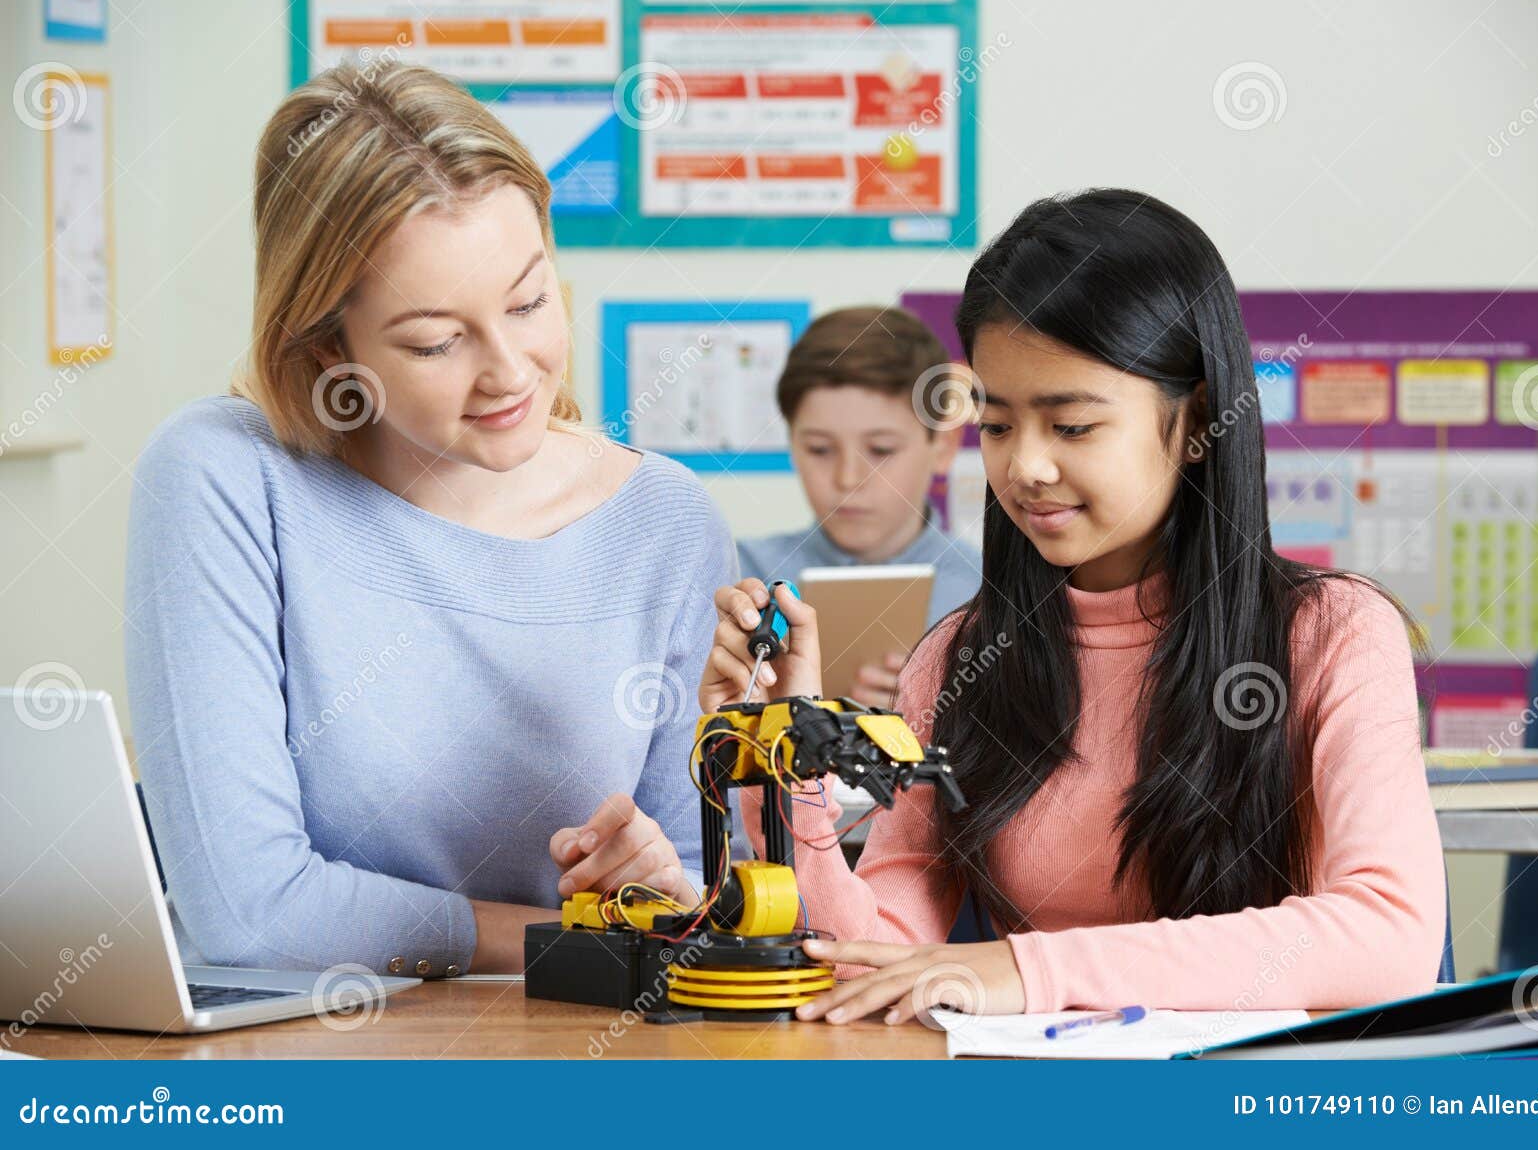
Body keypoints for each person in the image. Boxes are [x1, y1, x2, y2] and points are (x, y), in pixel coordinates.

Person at [701, 189, 1446, 1019]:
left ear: (1196, 419)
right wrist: (786, 753)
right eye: (997, 425)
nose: (1025, 468)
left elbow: (1390, 936)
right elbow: (866, 961)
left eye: (1074, 427)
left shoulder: (1334, 633)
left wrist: (1028, 971)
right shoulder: (960, 660)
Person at [125, 64, 733, 978]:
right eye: (435, 341)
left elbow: (697, 904)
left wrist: (659, 889)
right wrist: (556, 936)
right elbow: (245, 911)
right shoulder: (226, 475)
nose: (509, 372)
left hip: (585, 1054)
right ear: (328, 343)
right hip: (313, 1063)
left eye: (529, 302)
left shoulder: (668, 523)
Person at [737, 306, 980, 707]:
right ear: (792, 446)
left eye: (881, 450)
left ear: (943, 447)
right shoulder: (740, 579)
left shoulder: (989, 596)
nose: (848, 479)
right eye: (819, 449)